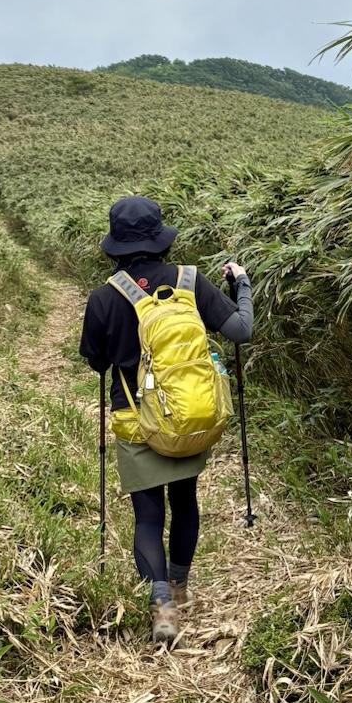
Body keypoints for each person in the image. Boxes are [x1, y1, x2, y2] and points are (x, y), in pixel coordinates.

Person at [79, 194, 253, 646]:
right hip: (187, 415)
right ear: (161, 237)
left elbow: (95, 361)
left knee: (148, 515)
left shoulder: (104, 296)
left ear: (115, 244)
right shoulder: (191, 282)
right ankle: (181, 585)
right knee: (185, 501)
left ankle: (162, 606)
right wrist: (244, 286)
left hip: (136, 421)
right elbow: (241, 331)